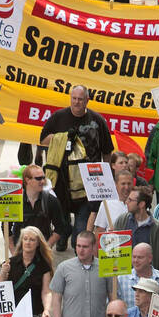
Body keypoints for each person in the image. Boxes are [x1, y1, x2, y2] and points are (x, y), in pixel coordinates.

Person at [40, 86, 114, 244]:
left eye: (80, 99)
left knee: (79, 233)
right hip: (62, 181)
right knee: (63, 222)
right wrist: (63, 138)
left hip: (89, 183)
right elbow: (43, 140)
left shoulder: (98, 120)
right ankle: (64, 231)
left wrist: (106, 176)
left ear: (87, 100)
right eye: (74, 98)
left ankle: (76, 244)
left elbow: (107, 151)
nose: (76, 102)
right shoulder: (58, 117)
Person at [49, 232, 109, 317]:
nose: (81, 250)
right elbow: (56, 300)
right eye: (78, 246)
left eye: (85, 247)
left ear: (93, 247)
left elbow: (113, 297)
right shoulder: (64, 268)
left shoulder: (105, 268)